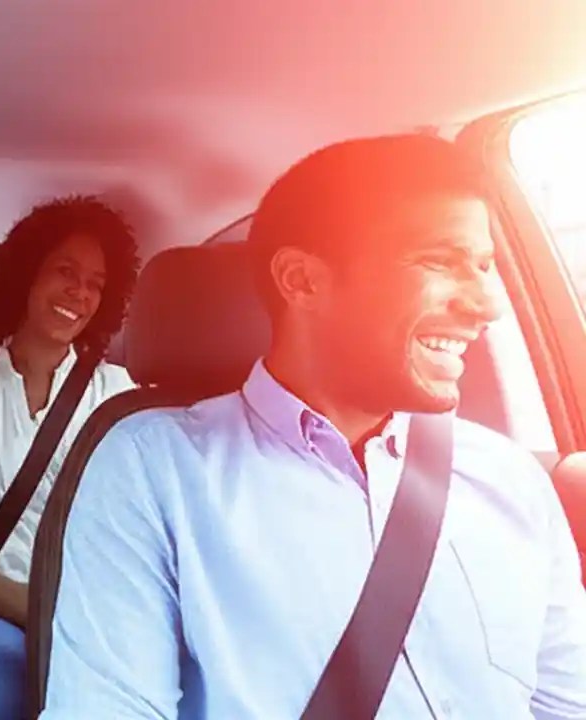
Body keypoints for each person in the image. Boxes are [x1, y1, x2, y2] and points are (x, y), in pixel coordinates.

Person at [42, 135, 586, 718]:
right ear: (301, 280)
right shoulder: (156, 468)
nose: (487, 304)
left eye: (483, 266)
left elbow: (567, 701)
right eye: (439, 261)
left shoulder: (512, 479)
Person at [0, 195, 140, 719]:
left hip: (99, 613)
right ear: (27, 274)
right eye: (65, 271)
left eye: (95, 284)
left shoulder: (119, 394)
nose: (79, 293)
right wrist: (41, 611)